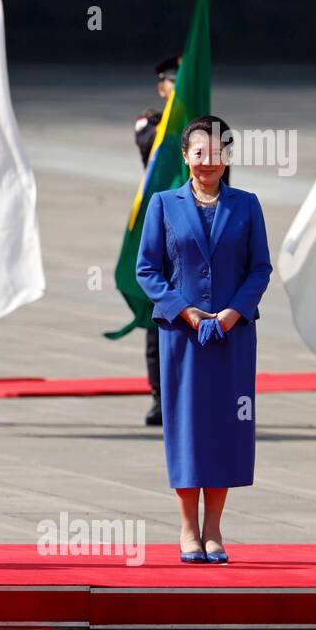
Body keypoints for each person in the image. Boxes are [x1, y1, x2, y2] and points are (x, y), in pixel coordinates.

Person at [136, 116, 272, 565]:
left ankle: (214, 527)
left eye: (216, 153)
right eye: (199, 153)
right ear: (186, 156)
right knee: (187, 427)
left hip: (233, 335)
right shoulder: (162, 203)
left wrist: (234, 312)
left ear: (227, 156)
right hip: (183, 337)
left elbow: (260, 269)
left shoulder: (247, 205)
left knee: (225, 428)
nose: (208, 162)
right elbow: (148, 270)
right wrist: (185, 310)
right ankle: (187, 526)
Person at [135, 55, 179, 426]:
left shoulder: (211, 129)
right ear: (162, 87)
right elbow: (153, 148)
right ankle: (159, 395)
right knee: (160, 314)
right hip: (163, 225)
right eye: (172, 81)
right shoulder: (151, 123)